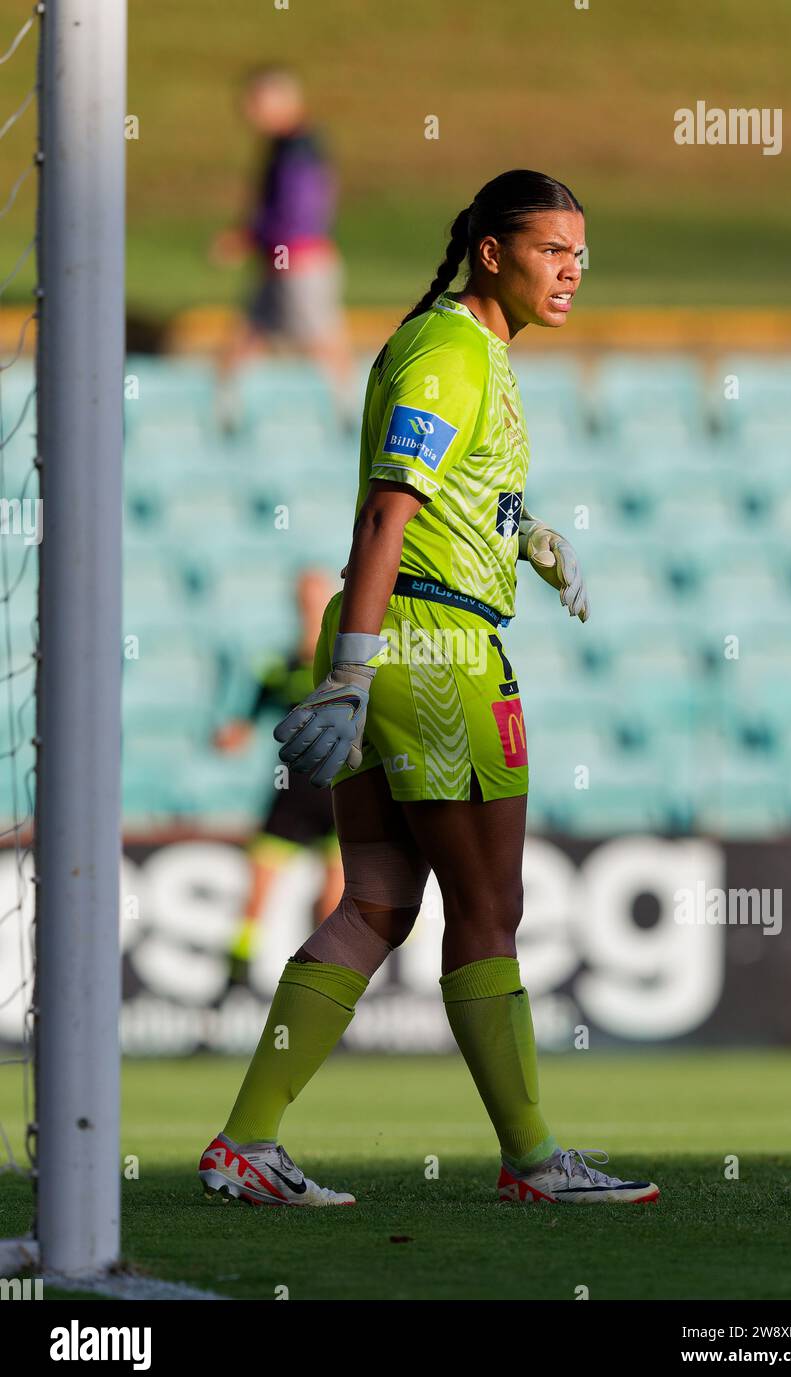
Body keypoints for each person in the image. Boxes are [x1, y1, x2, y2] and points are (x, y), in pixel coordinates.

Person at [198, 169, 660, 1208]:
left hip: (407, 632)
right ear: (491, 251)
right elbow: (384, 514)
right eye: (551, 248)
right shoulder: (454, 350)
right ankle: (535, 1160)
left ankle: (246, 1142)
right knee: (489, 904)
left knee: (375, 902)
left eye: (580, 251)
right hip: (432, 647)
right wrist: (358, 665)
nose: (571, 268)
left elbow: (451, 490)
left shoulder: (461, 344)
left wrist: (526, 536)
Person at [212, 570, 343, 987]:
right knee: (258, 887)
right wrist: (229, 736)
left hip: (340, 789)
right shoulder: (280, 667)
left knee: (334, 895)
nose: (310, 604)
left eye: (316, 596)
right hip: (294, 790)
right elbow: (242, 728)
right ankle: (238, 973)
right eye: (304, 597)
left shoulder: (349, 665)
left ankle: (321, 980)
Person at [209, 66, 356, 432]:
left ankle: (351, 416)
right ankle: (224, 415)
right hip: (283, 262)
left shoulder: (299, 148)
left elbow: (297, 212)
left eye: (256, 102)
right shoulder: (285, 145)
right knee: (248, 335)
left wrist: (248, 238)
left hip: (301, 263)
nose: (249, 112)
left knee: (321, 340)